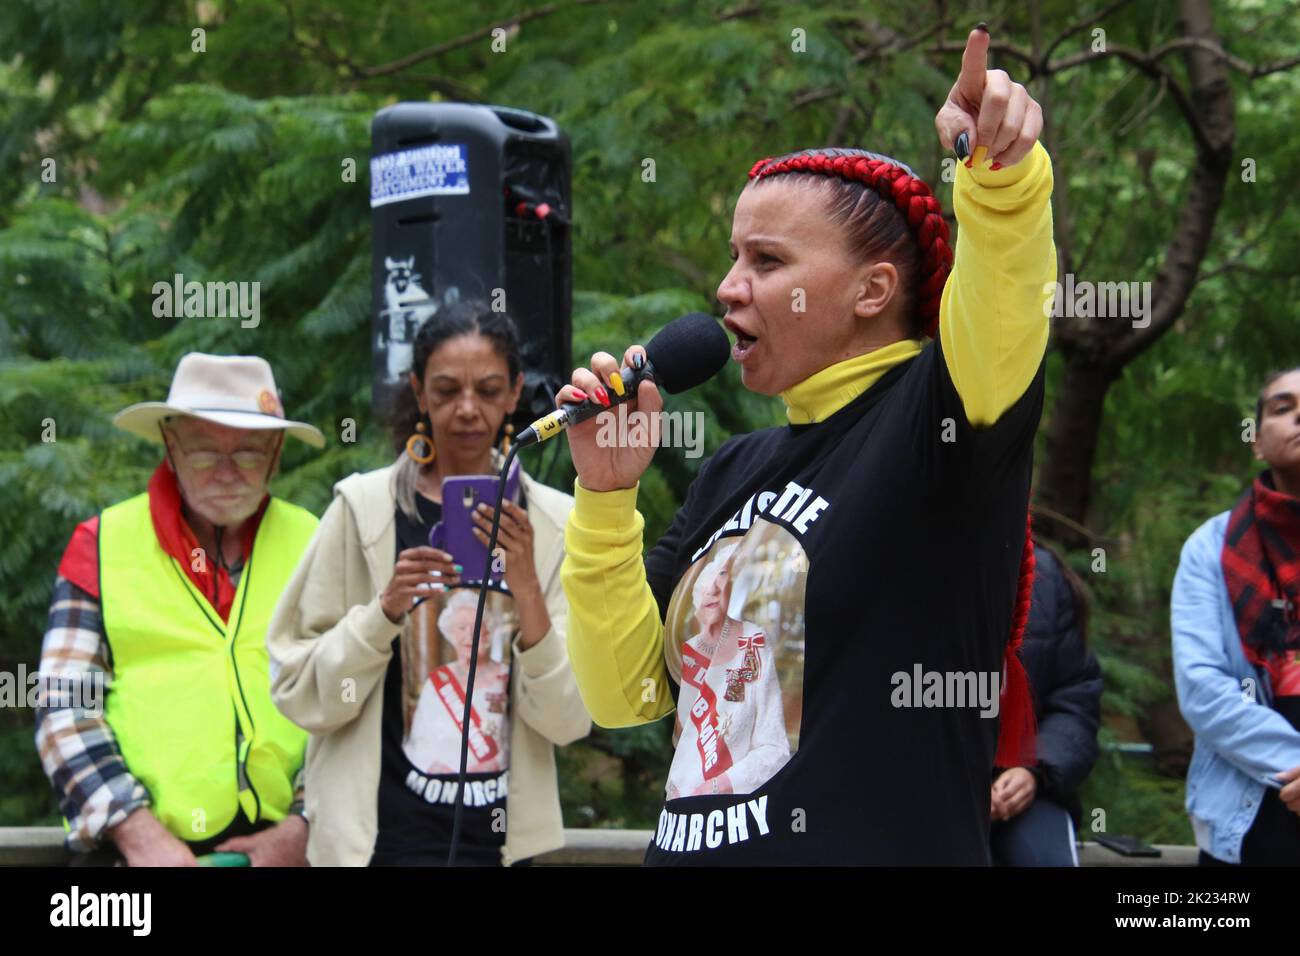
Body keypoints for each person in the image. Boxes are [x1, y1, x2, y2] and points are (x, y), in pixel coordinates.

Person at [560, 23, 1056, 864]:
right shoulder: (732, 470)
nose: (727, 287)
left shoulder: (944, 417)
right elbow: (626, 696)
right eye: (731, 257)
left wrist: (1000, 177)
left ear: (873, 290)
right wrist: (607, 500)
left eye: (767, 260)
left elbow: (1004, 295)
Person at [267, 301, 591, 867]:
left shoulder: (555, 523)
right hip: (375, 848)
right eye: (445, 391)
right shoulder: (362, 510)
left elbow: (568, 721)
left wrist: (528, 596)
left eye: (489, 390)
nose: (467, 409)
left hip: (500, 850)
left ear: (516, 392)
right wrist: (384, 612)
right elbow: (301, 693)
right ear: (418, 392)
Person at [35, 353, 323, 866]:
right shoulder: (100, 546)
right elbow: (65, 709)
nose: (228, 474)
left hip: (289, 849)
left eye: (250, 453)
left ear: (277, 452)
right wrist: (139, 836)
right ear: (171, 446)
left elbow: (352, 707)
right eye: (205, 453)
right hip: (133, 848)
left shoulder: (316, 542)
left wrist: (306, 823)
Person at [1173, 366, 1300, 866]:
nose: (1299, 418)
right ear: (1257, 441)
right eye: (1282, 407)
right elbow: (1202, 686)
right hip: (1250, 812)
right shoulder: (1210, 548)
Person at [990, 541, 1101, 866]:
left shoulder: (1046, 575)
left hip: (1028, 786)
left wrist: (1034, 768)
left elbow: (1075, 699)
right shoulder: (910, 562)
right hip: (929, 792)